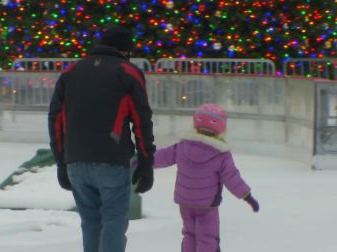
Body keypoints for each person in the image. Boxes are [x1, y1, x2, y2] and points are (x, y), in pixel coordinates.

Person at [48, 26, 155, 252]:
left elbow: (55, 118)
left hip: (75, 160)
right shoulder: (128, 72)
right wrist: (146, 162)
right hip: (112, 160)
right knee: (114, 222)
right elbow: (141, 120)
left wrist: (60, 161)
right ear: (126, 49)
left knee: (90, 223)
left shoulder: (71, 71)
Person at [151, 103, 259, 252]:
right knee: (207, 238)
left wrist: (142, 160)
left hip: (185, 202)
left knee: (189, 235)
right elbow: (232, 178)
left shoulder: (182, 146)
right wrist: (247, 196)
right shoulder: (221, 154)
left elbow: (162, 157)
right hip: (207, 205)